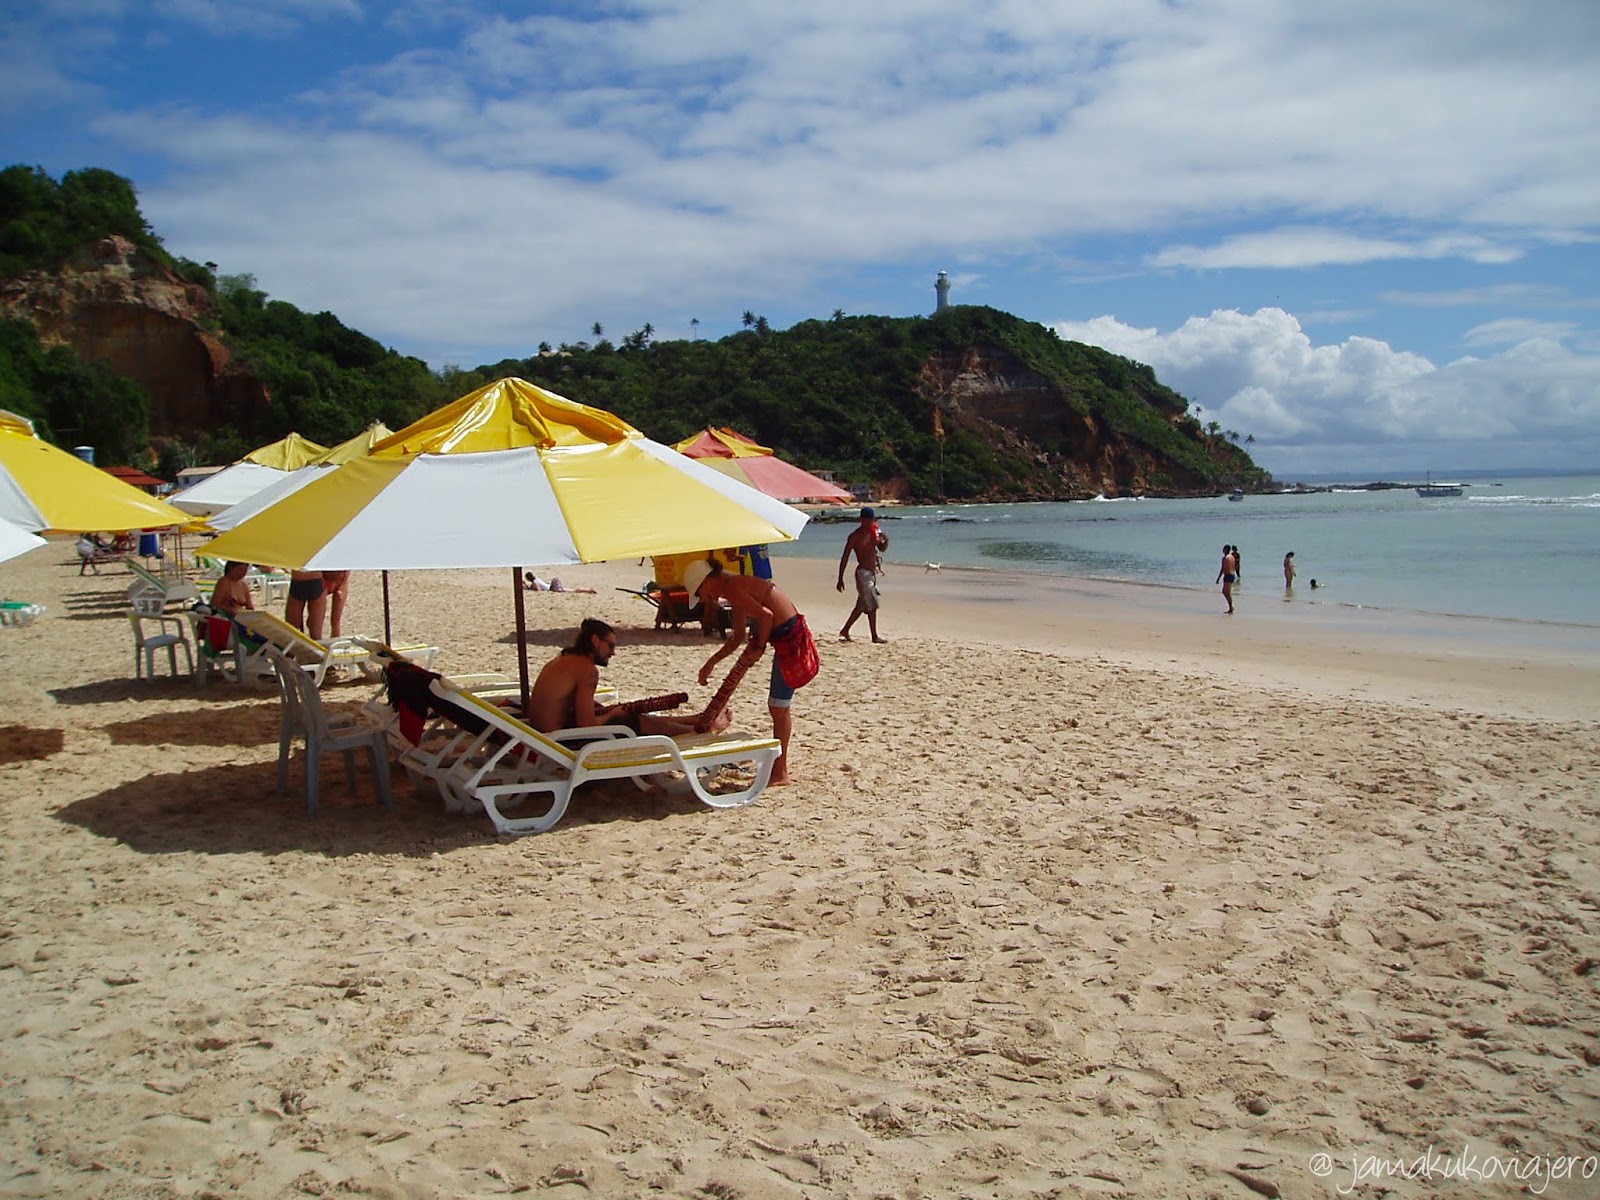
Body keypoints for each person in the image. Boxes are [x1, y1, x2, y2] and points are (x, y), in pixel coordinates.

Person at [686, 559, 816, 786]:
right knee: (778, 706)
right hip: (785, 635)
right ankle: (779, 769)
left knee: (779, 707)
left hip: (790, 637)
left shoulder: (733, 586)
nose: (705, 597)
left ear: (707, 580)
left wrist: (759, 647)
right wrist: (712, 662)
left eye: (701, 591)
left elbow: (766, 616)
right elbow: (737, 636)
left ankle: (781, 772)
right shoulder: (732, 587)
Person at [527, 618, 729, 736]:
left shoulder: (563, 659)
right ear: (596, 641)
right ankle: (697, 732)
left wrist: (601, 709)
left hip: (543, 734)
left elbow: (567, 702)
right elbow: (586, 725)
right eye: (611, 646)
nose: (613, 653)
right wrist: (612, 714)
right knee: (632, 721)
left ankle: (694, 721)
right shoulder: (586, 670)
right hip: (561, 738)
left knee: (626, 715)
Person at [836, 506, 889, 643]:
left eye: (871, 520)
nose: (869, 523)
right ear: (861, 520)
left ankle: (845, 630)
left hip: (871, 573)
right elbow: (845, 557)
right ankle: (874, 636)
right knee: (872, 603)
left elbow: (882, 549)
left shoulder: (874, 532)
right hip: (863, 573)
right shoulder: (855, 537)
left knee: (862, 605)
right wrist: (840, 578)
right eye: (867, 520)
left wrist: (885, 540)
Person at [286, 569, 327, 640]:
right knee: (316, 634)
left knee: (291, 632)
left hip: (298, 580)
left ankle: (294, 649)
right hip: (315, 581)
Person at [321, 570, 351, 638]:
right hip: (322, 577)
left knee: (336, 622)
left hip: (341, 577)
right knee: (315, 622)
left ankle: (335, 642)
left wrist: (344, 580)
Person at [1216, 544, 1238, 614]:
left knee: (1226, 593)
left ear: (1225, 550)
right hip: (1232, 575)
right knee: (1225, 592)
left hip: (1228, 576)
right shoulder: (1232, 557)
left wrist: (1218, 578)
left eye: (1223, 549)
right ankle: (1231, 606)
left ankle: (1231, 608)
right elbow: (1235, 566)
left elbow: (1222, 568)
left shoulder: (1225, 558)